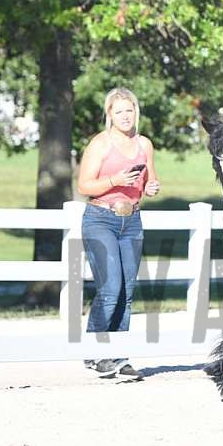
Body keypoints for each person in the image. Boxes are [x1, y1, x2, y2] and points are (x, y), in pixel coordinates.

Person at [75, 87, 162, 375]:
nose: (125, 116)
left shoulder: (144, 144)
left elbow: (149, 180)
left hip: (132, 222)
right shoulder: (100, 144)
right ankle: (95, 351)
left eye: (130, 110)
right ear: (109, 114)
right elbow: (84, 186)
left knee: (127, 292)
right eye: (119, 111)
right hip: (101, 219)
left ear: (136, 112)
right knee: (111, 288)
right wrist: (114, 180)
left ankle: (117, 355)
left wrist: (151, 187)